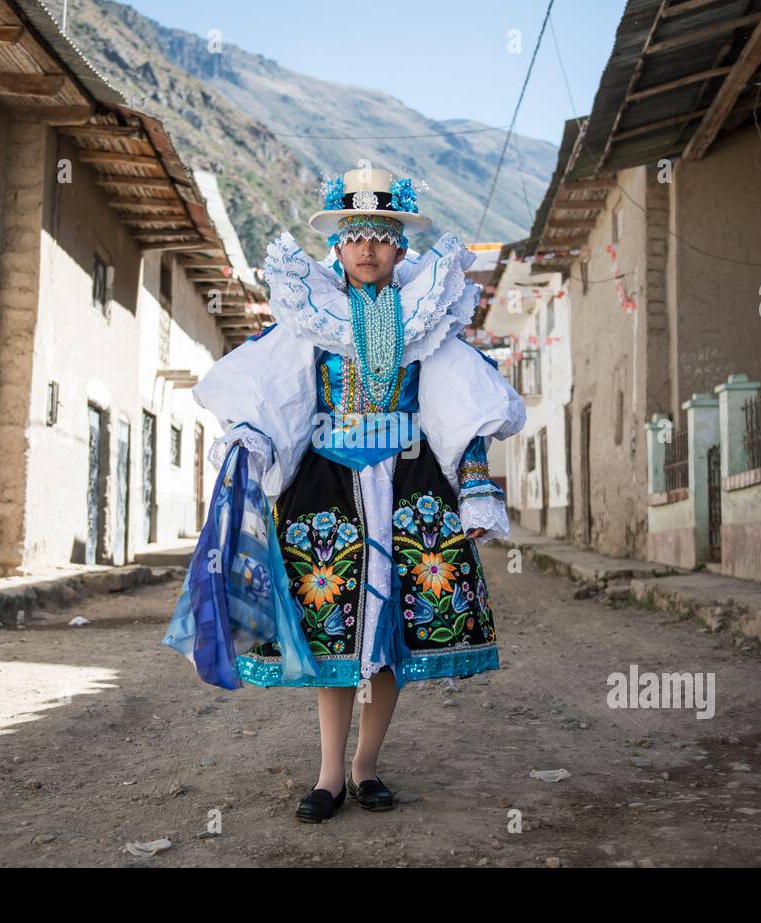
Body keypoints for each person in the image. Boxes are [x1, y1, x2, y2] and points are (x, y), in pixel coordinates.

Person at [166, 166, 525, 823]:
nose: (367, 249)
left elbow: (459, 405)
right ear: (337, 244)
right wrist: (250, 442)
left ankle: (367, 765)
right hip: (327, 486)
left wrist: (473, 488)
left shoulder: (428, 323)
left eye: (381, 237)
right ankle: (330, 773)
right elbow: (277, 395)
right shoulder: (312, 318)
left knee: (389, 637)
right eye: (355, 236)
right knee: (333, 632)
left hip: (409, 479)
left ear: (401, 247)